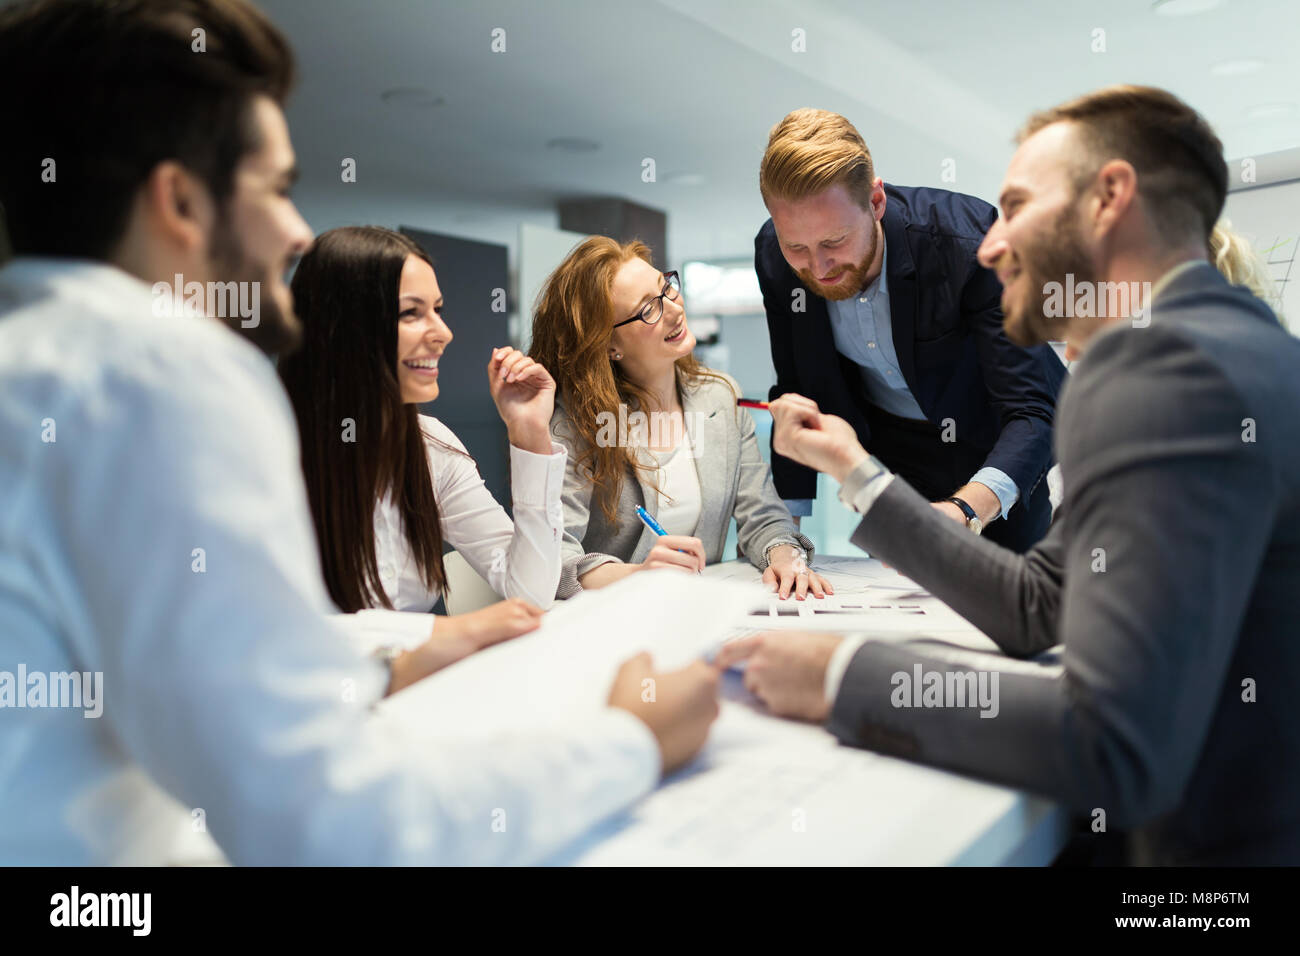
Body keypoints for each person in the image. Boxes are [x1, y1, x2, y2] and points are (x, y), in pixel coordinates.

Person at [0, 0, 719, 865]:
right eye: (272, 188)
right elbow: (332, 825)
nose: (295, 231)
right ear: (180, 202)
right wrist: (629, 742)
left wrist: (391, 656)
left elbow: (201, 691)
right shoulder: (154, 375)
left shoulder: (41, 363)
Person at [721, 85, 1300, 865]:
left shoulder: (1166, 374)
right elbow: (1041, 605)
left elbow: (1113, 745)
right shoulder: (1226, 348)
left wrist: (842, 676)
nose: (992, 248)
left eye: (1017, 207)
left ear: (1109, 201)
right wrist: (856, 470)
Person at [756, 108, 1066, 551]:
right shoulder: (773, 257)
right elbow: (794, 393)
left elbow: (1031, 409)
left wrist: (966, 510)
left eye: (834, 242)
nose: (818, 267)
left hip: (999, 440)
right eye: (797, 246)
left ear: (876, 202)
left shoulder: (968, 244)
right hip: (892, 452)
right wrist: (785, 534)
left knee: (1006, 584)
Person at [277, 226, 566, 673]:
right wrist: (446, 633)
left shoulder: (431, 445)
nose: (444, 333)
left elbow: (531, 592)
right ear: (343, 327)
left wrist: (530, 435)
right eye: (411, 314)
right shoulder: (266, 450)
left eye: (438, 310)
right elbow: (277, 635)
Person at [528, 236, 830, 601]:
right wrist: (639, 575)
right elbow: (550, 560)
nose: (673, 310)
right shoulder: (576, 423)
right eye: (648, 310)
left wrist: (787, 556)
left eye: (666, 288)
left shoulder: (720, 396)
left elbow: (764, 516)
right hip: (608, 624)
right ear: (609, 346)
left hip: (694, 618)